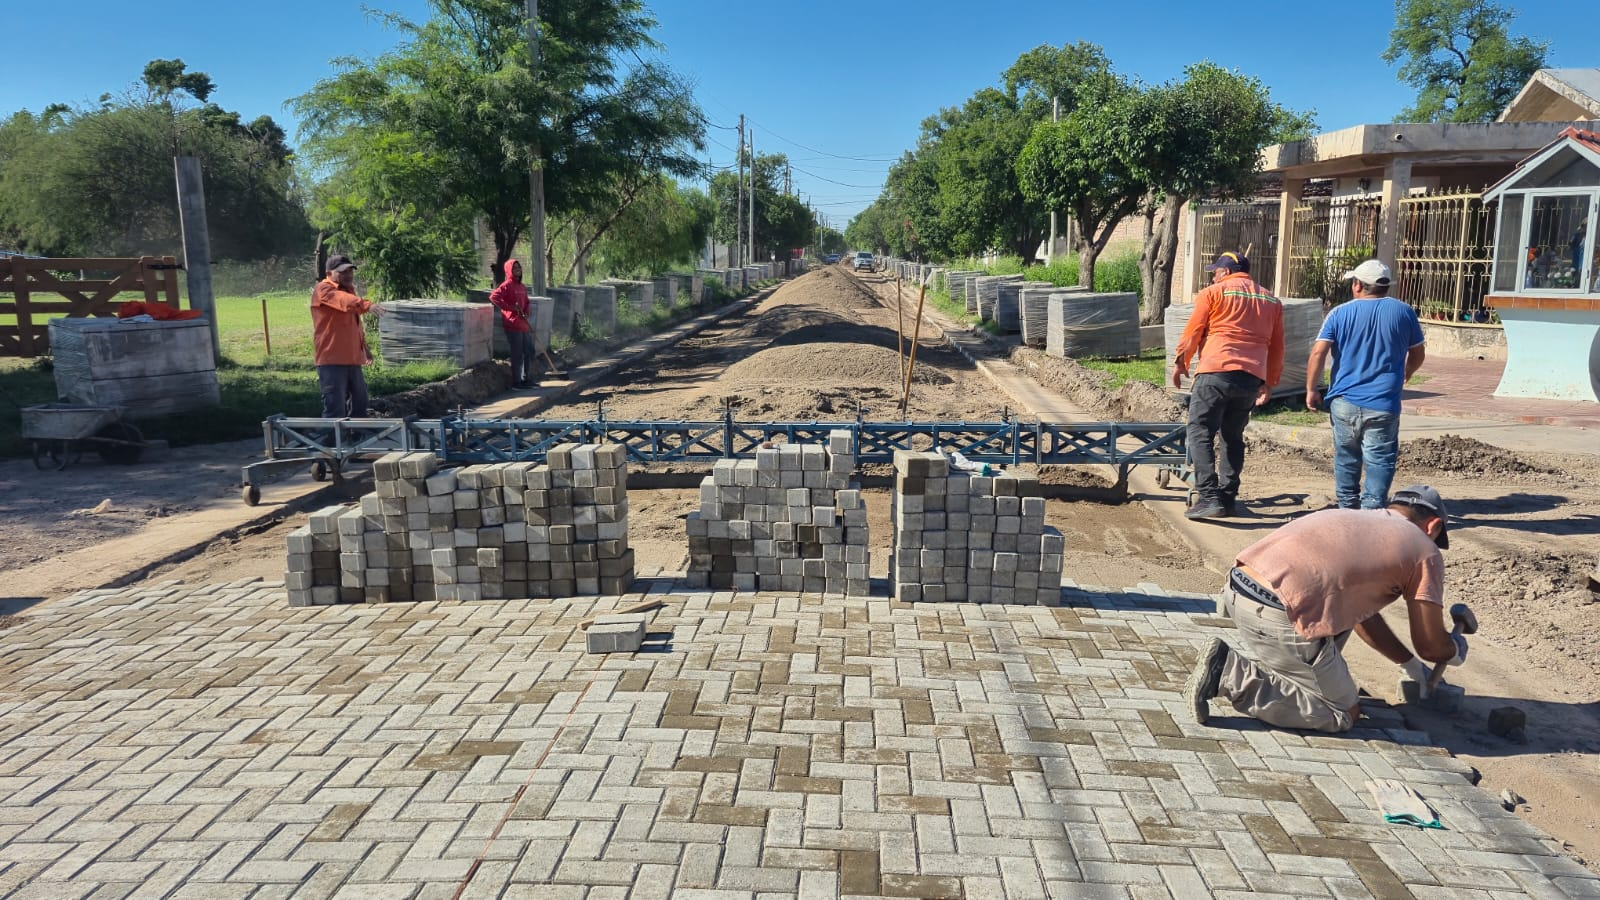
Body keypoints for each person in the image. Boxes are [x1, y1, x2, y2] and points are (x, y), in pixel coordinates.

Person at [1185, 485, 1464, 733]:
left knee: (1335, 617)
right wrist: (1455, 649)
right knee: (1343, 714)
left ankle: (1301, 673)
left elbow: (1361, 617)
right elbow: (1431, 647)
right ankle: (1228, 674)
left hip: (1238, 590)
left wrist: (1411, 667)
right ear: (1434, 526)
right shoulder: (1424, 549)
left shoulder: (1358, 517)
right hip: (1279, 613)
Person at [1171, 252, 1285, 520]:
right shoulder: (1271, 300)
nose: (1213, 275)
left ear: (1226, 272)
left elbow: (1193, 331)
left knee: (1199, 430)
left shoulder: (1213, 293)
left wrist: (1181, 363)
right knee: (1232, 436)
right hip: (1250, 378)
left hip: (1216, 371)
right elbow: (1278, 346)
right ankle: (1228, 497)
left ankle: (1209, 497)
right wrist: (1269, 382)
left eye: (1216, 271)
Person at [1305, 259, 1425, 510]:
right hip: (1384, 403)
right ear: (1385, 286)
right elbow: (1417, 353)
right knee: (1380, 459)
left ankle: (1348, 510)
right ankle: (1373, 511)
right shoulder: (1404, 312)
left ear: (1358, 285)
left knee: (1346, 457)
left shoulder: (1339, 312)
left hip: (1344, 402)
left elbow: (1318, 353)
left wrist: (1312, 389)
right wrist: (1407, 372)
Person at [311, 254, 386, 419]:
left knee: (360, 403)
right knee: (335, 409)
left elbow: (353, 326)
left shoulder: (348, 292)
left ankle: (356, 439)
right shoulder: (323, 290)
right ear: (329, 273)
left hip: (352, 361)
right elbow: (343, 300)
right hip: (332, 361)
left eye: (350, 271)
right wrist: (367, 304)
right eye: (343, 272)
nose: (348, 275)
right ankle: (328, 444)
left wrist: (364, 349)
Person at [490, 259, 535, 388]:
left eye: (518, 267)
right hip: (512, 325)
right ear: (509, 270)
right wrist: (509, 308)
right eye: (514, 267)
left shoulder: (522, 286)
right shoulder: (506, 285)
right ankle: (517, 382)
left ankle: (527, 378)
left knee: (529, 350)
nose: (517, 269)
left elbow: (527, 302)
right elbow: (493, 297)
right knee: (517, 353)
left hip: (523, 324)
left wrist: (526, 313)